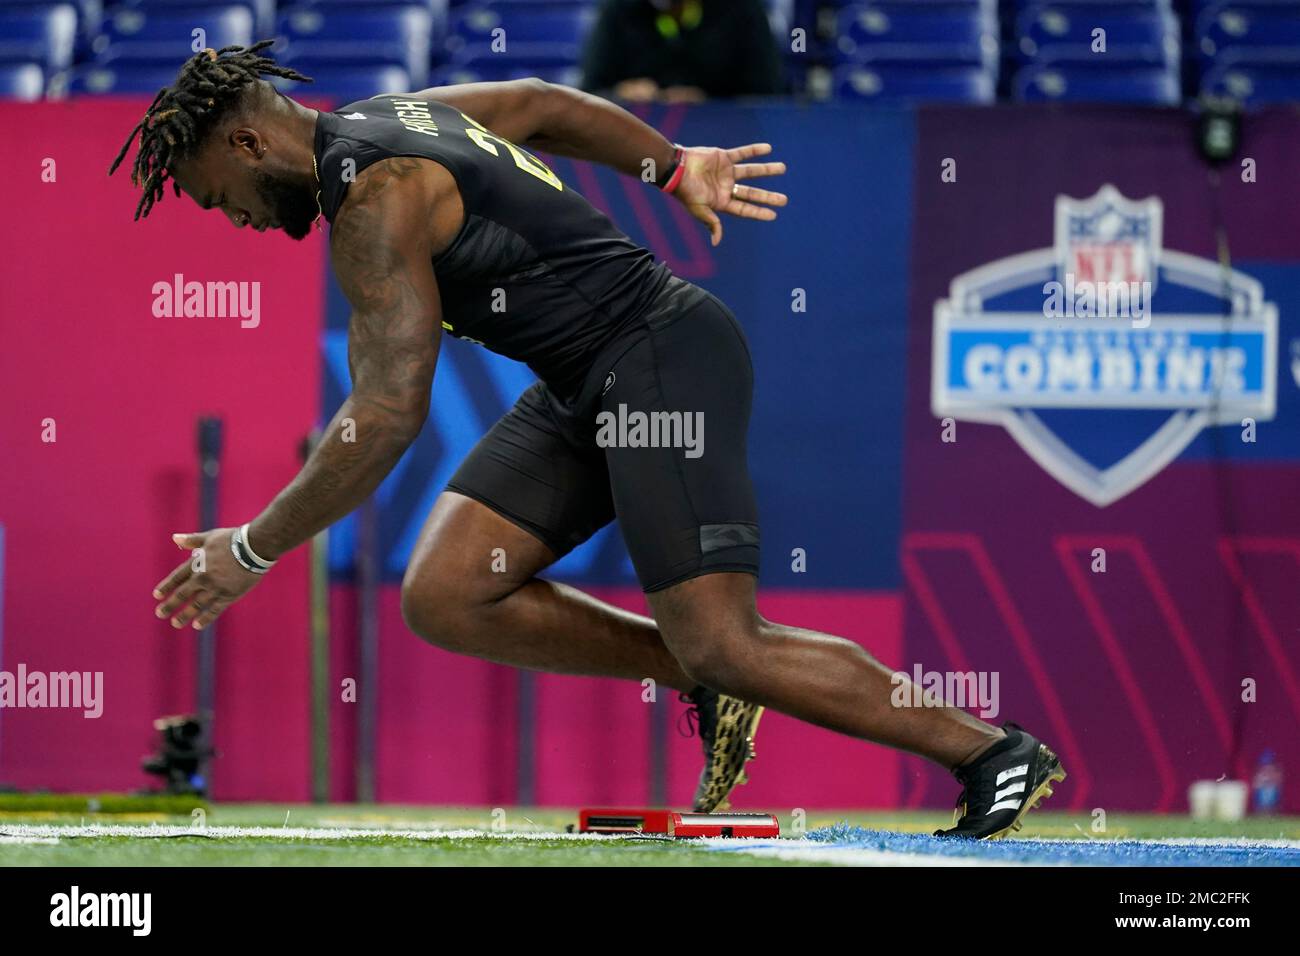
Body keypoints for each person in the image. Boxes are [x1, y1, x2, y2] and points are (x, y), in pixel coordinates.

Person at [119, 43, 1064, 837]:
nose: (237, 220)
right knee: (448, 594)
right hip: (586, 381)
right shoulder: (396, 115)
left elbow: (388, 412)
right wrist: (671, 164)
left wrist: (254, 548)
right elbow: (541, 103)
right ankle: (699, 675)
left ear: (248, 142)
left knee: (727, 640)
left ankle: (991, 752)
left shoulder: (375, 199)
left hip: (658, 356)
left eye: (219, 197)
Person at [581, 0, 785, 102]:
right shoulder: (618, 9)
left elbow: (767, 95)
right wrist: (620, 93)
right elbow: (590, 91)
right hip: (638, 133)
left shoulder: (743, 9)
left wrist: (707, 100)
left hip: (723, 135)